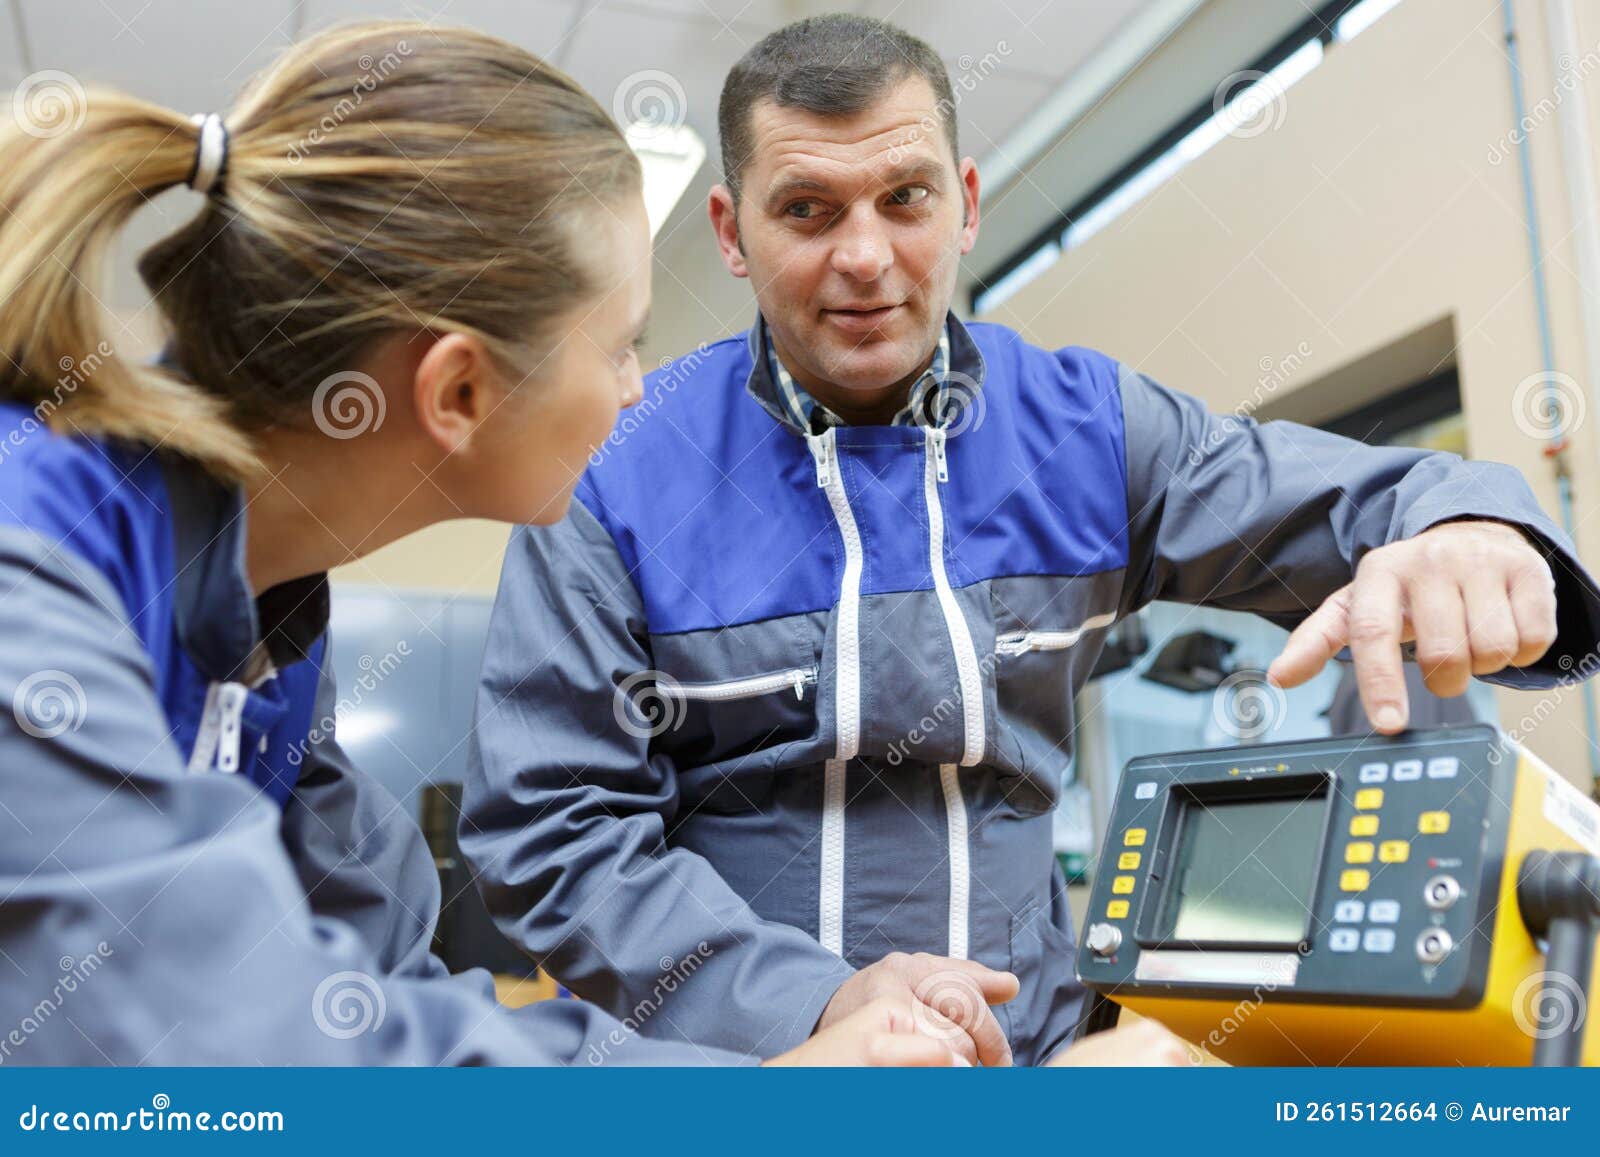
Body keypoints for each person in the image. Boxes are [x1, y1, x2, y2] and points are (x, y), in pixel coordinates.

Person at [461, 13, 1600, 1066]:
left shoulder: (1090, 431)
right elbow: (553, 831)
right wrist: (811, 1003)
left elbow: (1356, 500)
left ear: (963, 203)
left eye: (902, 199)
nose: (863, 256)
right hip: (752, 1076)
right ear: (731, 229)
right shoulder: (614, 468)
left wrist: (1468, 526)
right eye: (808, 208)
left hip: (1042, 1071)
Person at [0, 19, 1094, 1067]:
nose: (635, 392)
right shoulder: (31, 577)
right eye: (621, 345)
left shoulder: (263, 624)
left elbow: (386, 992)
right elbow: (235, 1048)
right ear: (459, 388)